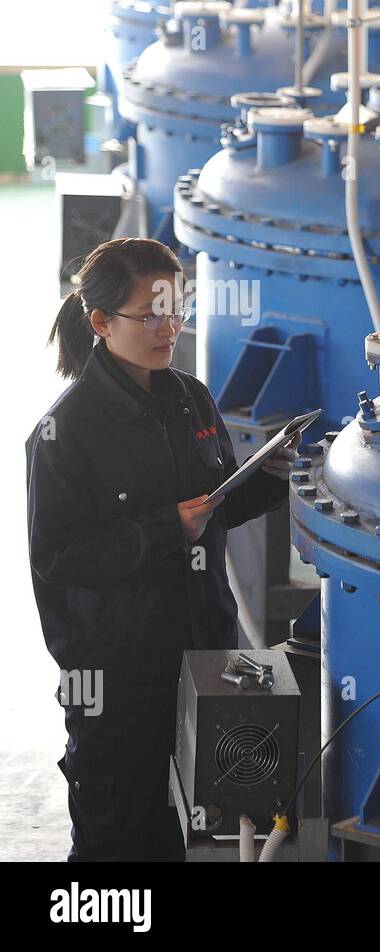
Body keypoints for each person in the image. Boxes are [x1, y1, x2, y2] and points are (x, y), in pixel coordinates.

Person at [26, 238, 295, 861]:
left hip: (204, 655)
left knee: (194, 833)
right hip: (118, 675)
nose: (170, 326)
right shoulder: (64, 433)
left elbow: (216, 506)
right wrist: (161, 528)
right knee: (117, 830)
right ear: (101, 322)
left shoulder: (189, 397)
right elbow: (59, 558)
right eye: (151, 314)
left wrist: (268, 478)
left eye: (179, 308)